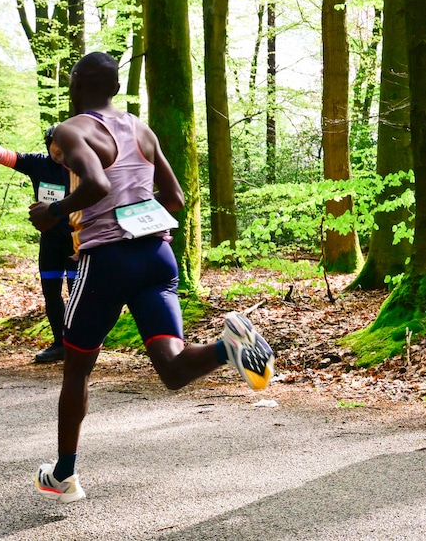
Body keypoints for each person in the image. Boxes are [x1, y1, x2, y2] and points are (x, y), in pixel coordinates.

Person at [27, 52, 276, 504]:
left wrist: (55, 212)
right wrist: (135, 213)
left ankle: (64, 474)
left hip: (105, 262)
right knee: (173, 370)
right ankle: (229, 346)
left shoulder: (72, 130)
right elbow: (176, 198)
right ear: (116, 88)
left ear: (77, 83)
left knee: (76, 370)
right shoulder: (141, 129)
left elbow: (98, 185)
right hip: (157, 255)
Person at [0, 127, 77, 362]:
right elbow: (8, 156)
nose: (59, 150)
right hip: (50, 241)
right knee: (51, 293)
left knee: (76, 294)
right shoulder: (38, 164)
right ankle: (59, 344)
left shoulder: (84, 168)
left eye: (65, 145)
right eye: (55, 144)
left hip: (77, 242)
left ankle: (80, 345)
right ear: (48, 143)